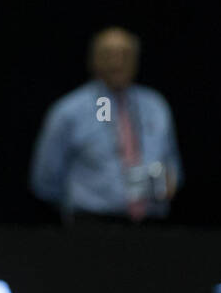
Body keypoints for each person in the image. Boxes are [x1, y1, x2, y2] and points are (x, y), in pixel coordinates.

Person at [30, 27, 182, 225]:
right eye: (108, 54)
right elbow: (45, 179)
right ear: (93, 60)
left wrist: (170, 181)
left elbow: (172, 164)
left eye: (125, 55)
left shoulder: (156, 105)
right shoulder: (68, 111)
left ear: (136, 60)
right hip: (92, 225)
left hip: (150, 224)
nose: (117, 63)